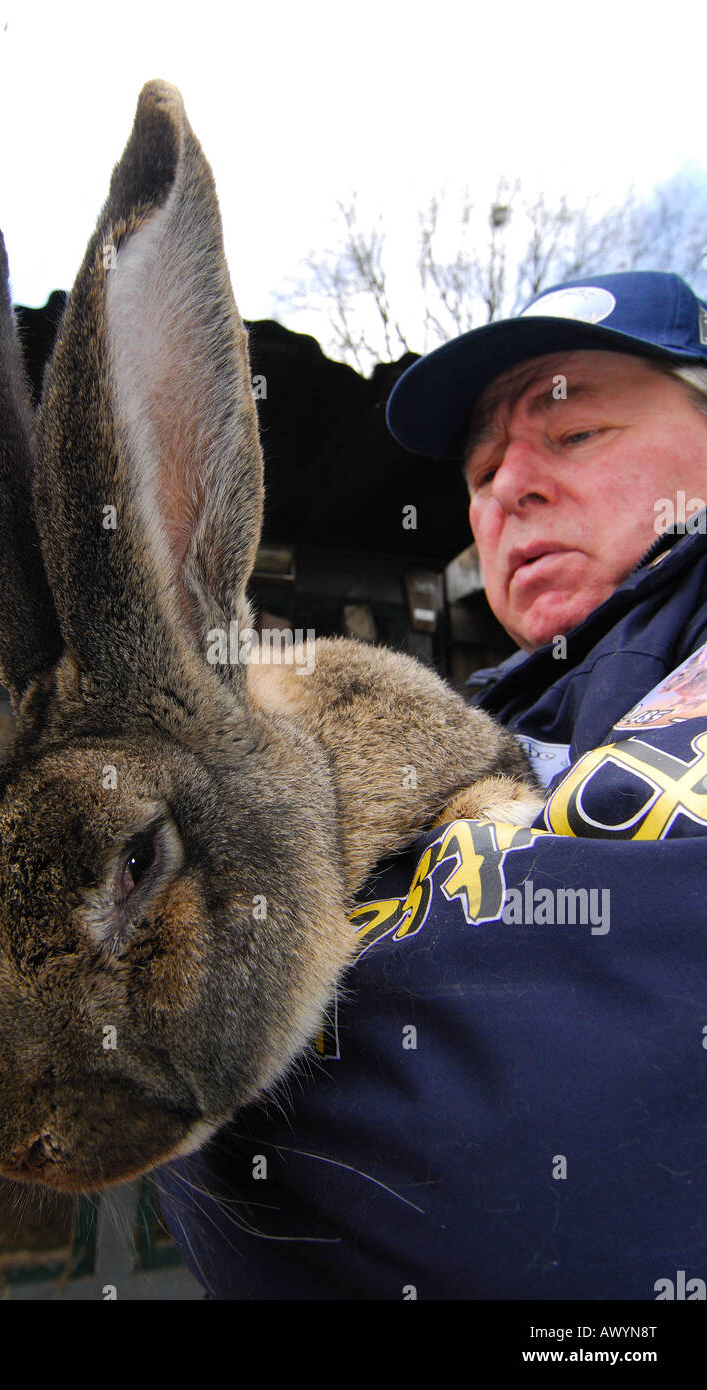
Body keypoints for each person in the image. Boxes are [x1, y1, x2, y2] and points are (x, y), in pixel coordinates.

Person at [157, 271, 707, 1300]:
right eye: (483, 468)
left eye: (574, 433)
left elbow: (564, 1161)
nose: (508, 489)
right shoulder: (472, 715)